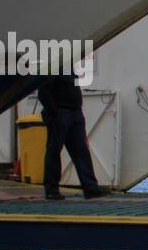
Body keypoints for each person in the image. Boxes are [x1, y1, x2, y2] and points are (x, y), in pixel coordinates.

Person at [38, 72, 106, 200]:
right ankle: (52, 190)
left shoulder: (70, 70)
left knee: (82, 152)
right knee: (54, 151)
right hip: (61, 113)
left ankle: (91, 188)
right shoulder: (53, 69)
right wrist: (54, 113)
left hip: (75, 113)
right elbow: (43, 93)